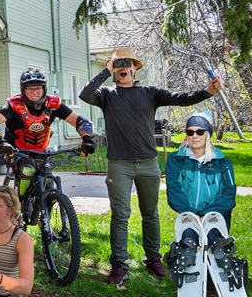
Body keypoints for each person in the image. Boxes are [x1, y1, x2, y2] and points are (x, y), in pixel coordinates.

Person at [78, 47, 224, 285]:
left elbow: (181, 98)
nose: (123, 68)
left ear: (135, 68)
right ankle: (119, 265)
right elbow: (85, 94)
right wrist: (106, 70)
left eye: (127, 64)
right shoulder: (106, 95)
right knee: (120, 215)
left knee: (150, 214)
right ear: (113, 69)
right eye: (118, 64)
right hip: (120, 164)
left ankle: (153, 260)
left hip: (148, 162)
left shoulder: (150, 93)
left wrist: (207, 91)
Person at [0, 69, 95, 200]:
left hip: (40, 150)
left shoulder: (53, 105)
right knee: (27, 169)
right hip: (15, 150)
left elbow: (80, 122)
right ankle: (20, 204)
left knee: (48, 179)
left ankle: (47, 208)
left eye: (38, 88)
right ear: (23, 90)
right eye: (30, 88)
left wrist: (87, 139)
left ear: (44, 88)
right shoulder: (14, 105)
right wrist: (0, 142)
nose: (35, 92)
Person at [166, 111, 236, 238]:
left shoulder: (223, 163)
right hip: (189, 218)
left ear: (208, 134)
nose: (194, 136)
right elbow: (174, 191)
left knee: (214, 244)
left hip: (215, 218)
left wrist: (206, 215)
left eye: (200, 132)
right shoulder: (176, 160)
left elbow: (228, 194)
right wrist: (193, 215)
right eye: (190, 132)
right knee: (188, 246)